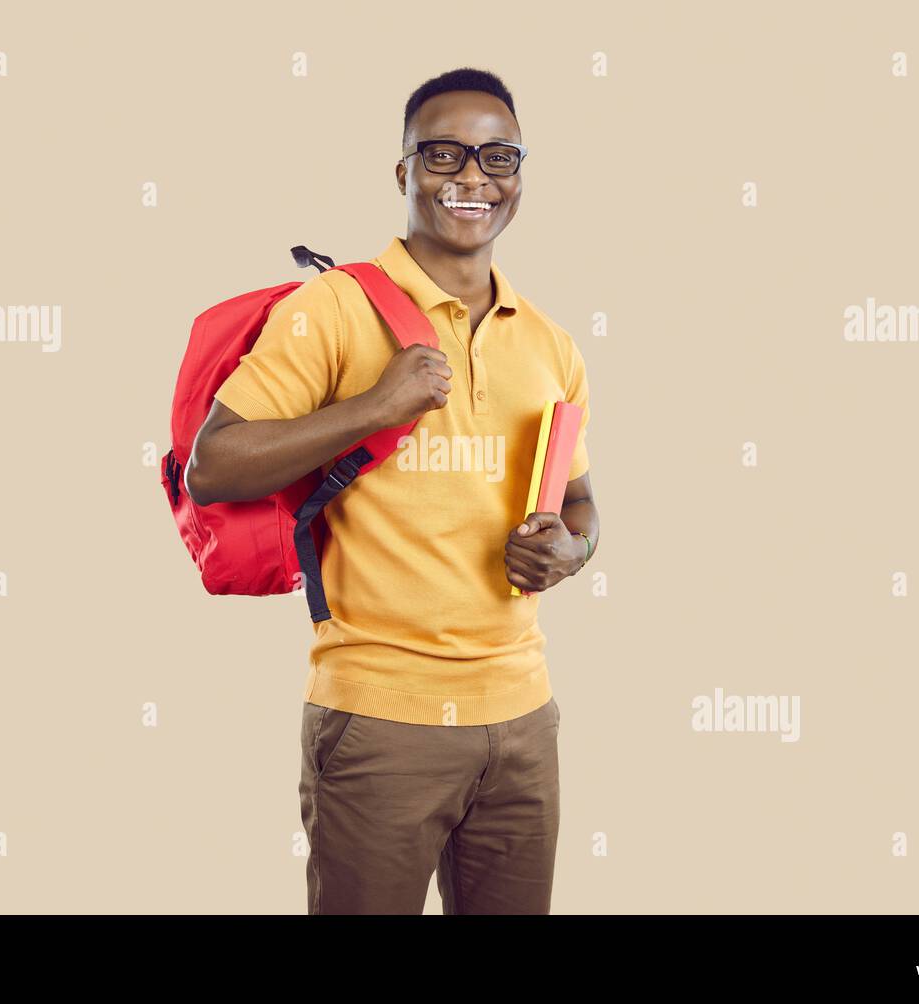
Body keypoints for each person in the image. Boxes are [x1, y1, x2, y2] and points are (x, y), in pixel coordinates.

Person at [185, 67, 599, 914]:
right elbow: (214, 463)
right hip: (380, 719)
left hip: (524, 720)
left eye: (498, 155)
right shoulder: (334, 311)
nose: (472, 177)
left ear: (521, 173)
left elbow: (583, 503)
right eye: (442, 153)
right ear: (403, 171)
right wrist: (375, 406)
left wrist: (572, 547)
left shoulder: (551, 343)